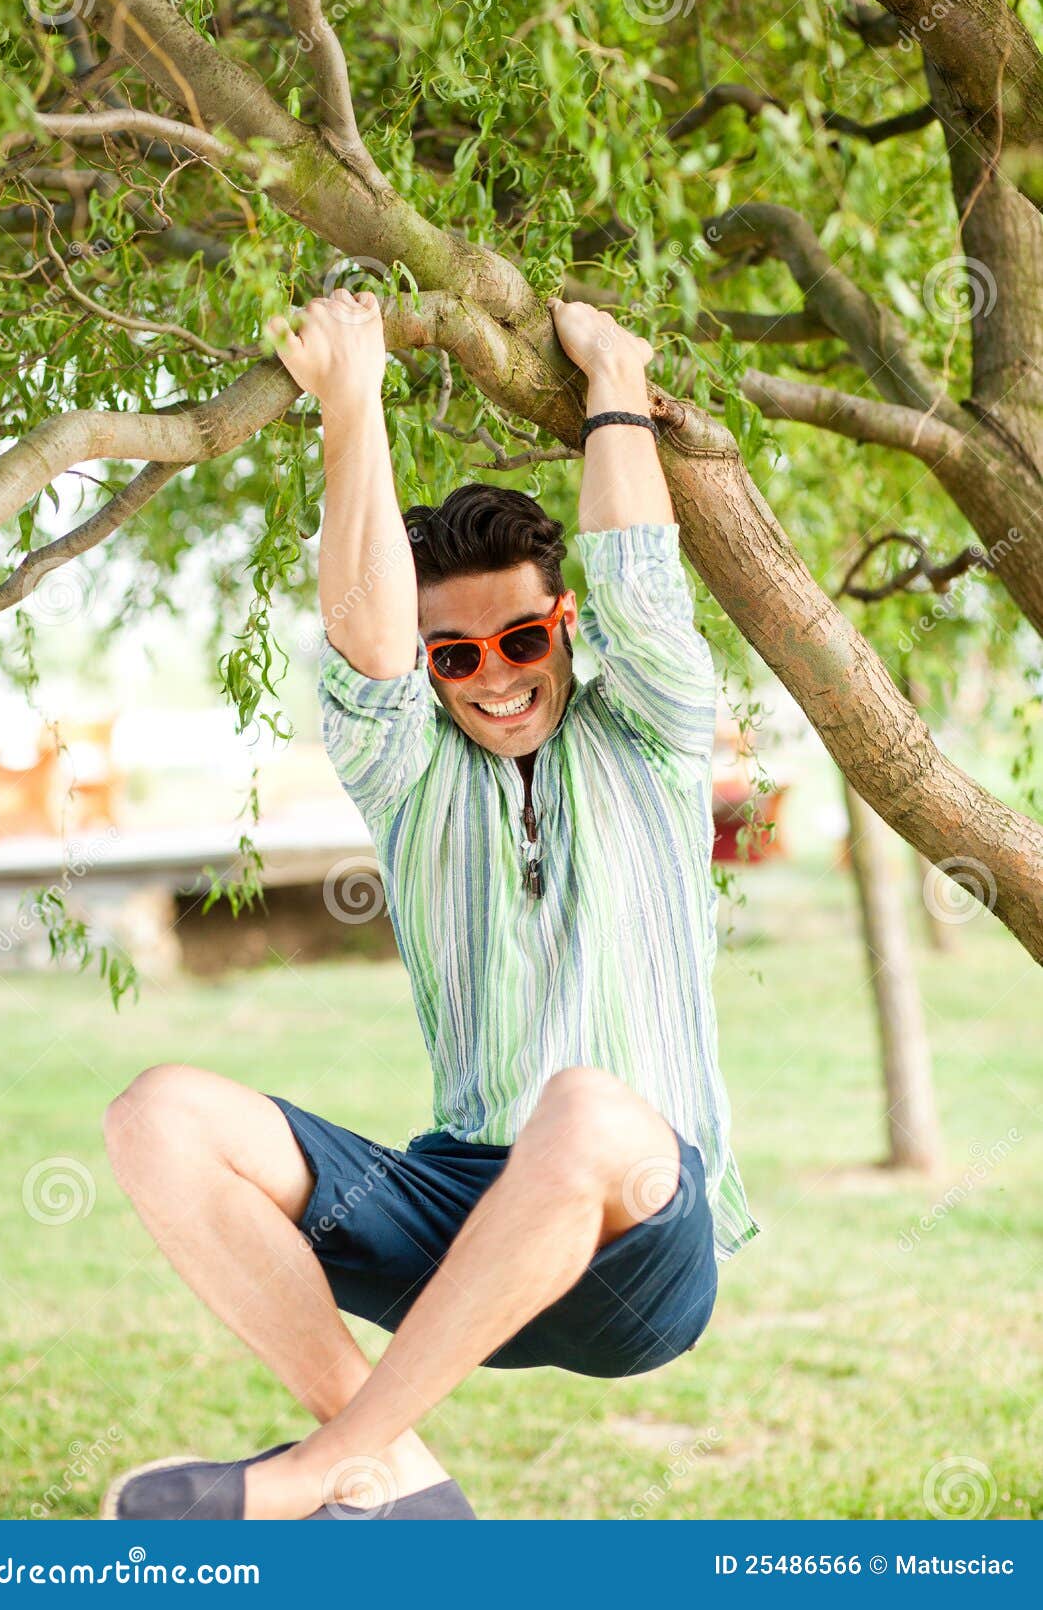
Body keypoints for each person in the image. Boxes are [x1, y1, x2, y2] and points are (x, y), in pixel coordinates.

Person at [100, 293, 759, 1522]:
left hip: (640, 1236)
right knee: (158, 1115)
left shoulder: (655, 734)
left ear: (563, 625)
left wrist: (613, 373)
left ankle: (311, 1469)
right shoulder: (410, 778)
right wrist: (350, 401)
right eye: (455, 655)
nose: (494, 675)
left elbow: (639, 572)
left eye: (521, 638)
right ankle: (389, 1476)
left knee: (586, 1106)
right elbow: (367, 644)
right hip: (464, 1215)